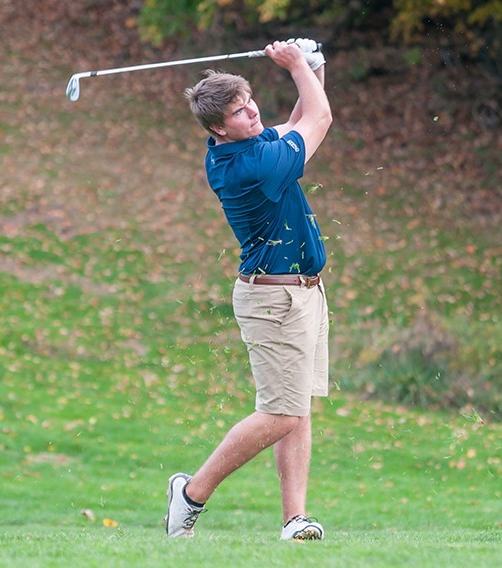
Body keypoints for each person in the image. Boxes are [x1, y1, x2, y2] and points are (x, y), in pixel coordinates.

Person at [165, 38, 332, 541]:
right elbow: (320, 121)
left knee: (295, 407)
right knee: (280, 411)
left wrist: (313, 66)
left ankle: (293, 519)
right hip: (274, 299)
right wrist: (298, 64)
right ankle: (191, 493)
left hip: (302, 293)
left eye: (251, 100)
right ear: (219, 127)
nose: (254, 111)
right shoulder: (254, 168)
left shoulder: (247, 145)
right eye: (240, 111)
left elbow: (304, 114)